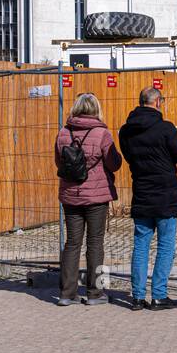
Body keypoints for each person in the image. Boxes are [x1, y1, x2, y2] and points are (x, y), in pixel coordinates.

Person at [118, 86, 177, 311]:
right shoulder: (166, 129)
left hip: (142, 192)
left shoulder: (125, 131)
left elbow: (129, 157)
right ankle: (159, 294)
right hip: (165, 194)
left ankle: (138, 297)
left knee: (141, 245)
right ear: (158, 102)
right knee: (165, 245)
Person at [55, 92, 122, 306]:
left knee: (72, 243)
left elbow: (59, 163)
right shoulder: (102, 133)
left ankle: (67, 293)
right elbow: (113, 163)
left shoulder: (63, 132)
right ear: (96, 109)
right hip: (96, 195)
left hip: (70, 195)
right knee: (95, 243)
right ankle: (96, 292)